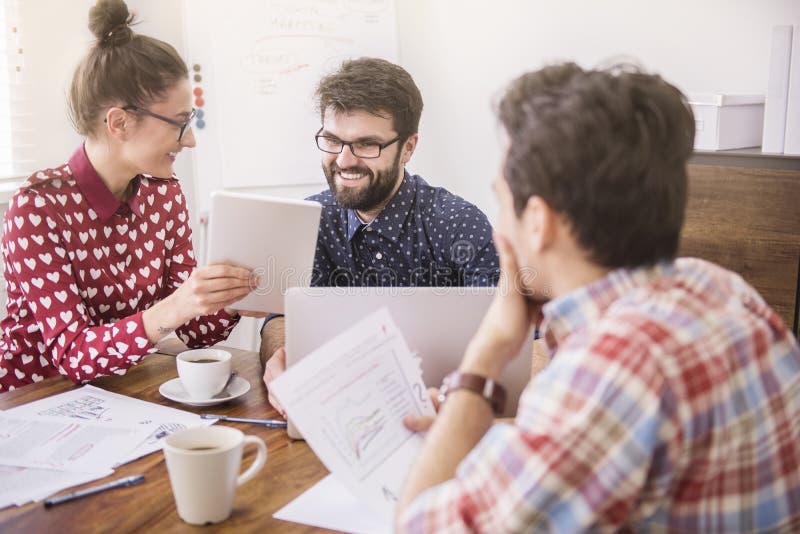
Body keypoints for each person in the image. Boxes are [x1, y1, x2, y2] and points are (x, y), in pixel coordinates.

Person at [396, 63, 800, 532]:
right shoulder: (720, 287)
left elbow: (418, 527)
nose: (495, 226)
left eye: (501, 200)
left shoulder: (613, 368)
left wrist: (483, 361)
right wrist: (486, 434)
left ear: (538, 222)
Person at [0, 0, 260, 392]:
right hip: (34, 401)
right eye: (179, 123)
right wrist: (177, 305)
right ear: (119, 122)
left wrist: (231, 295)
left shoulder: (164, 195)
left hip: (125, 392)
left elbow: (195, 331)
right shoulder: (37, 209)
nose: (189, 140)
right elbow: (73, 353)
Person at [260, 58, 500, 413]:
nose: (343, 160)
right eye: (332, 140)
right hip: (336, 412)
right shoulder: (310, 219)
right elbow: (278, 317)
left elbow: (526, 342)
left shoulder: (459, 224)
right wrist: (282, 359)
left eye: (366, 145)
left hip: (443, 418)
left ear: (408, 148)